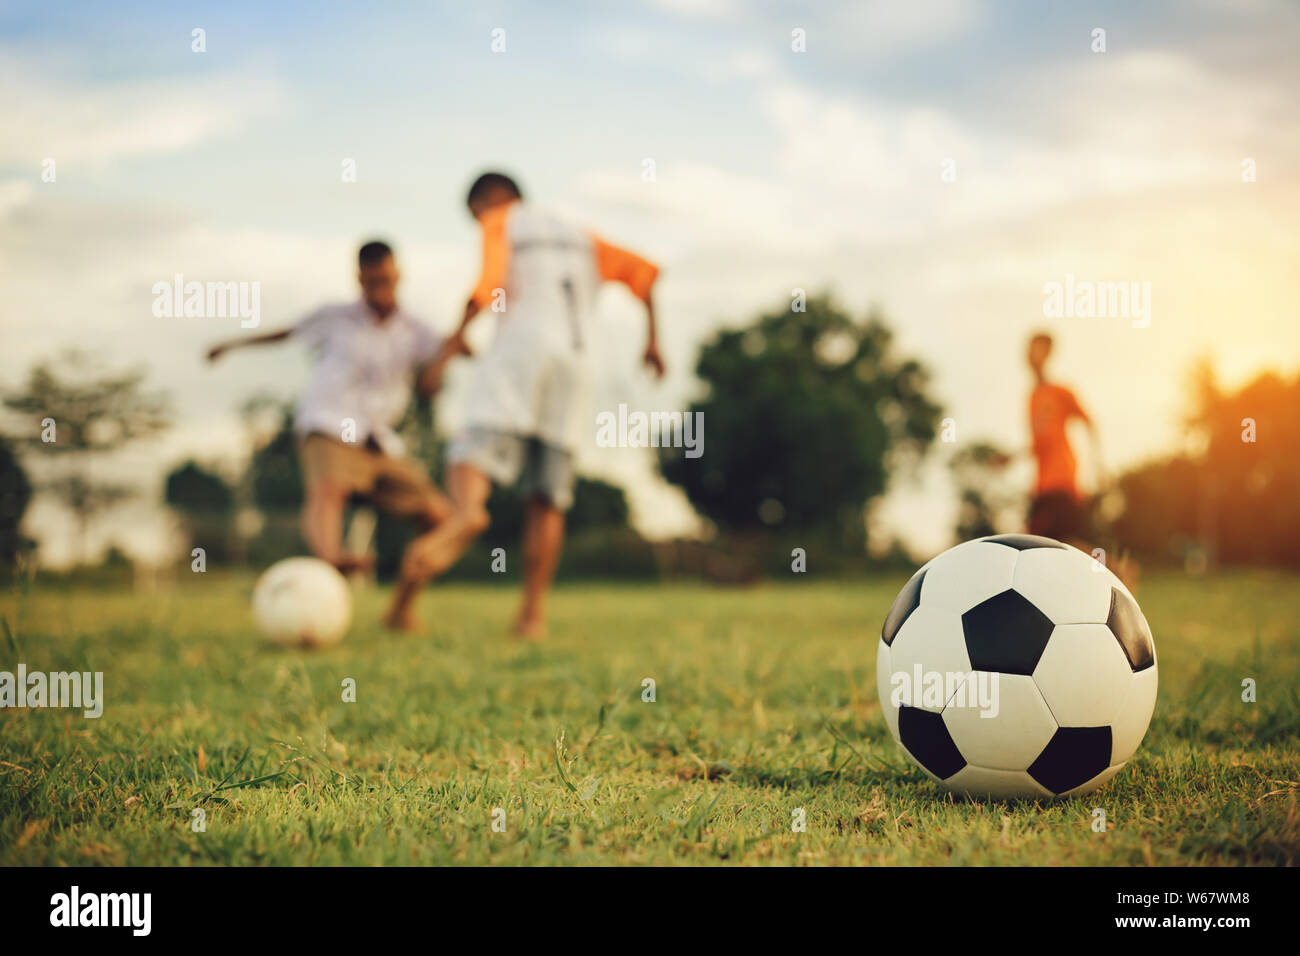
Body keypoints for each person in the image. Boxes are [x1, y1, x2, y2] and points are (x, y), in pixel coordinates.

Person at [387, 172, 664, 639]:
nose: (479, 223)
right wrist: (653, 341)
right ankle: (532, 617)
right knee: (547, 497)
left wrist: (445, 354)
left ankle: (467, 512)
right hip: (575, 367)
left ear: (488, 200)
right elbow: (647, 275)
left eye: (475, 215)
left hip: (518, 356)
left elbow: (487, 286)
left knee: (468, 455)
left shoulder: (503, 221)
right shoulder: (581, 234)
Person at [206, 240, 463, 624]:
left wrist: (449, 352)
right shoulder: (334, 316)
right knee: (330, 489)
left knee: (441, 518)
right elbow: (286, 333)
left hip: (379, 440)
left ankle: (401, 609)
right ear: (358, 278)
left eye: (386, 280)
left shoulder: (416, 330)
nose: (379, 288)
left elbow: (443, 369)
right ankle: (329, 559)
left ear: (398, 275)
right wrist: (232, 343)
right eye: (370, 281)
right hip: (328, 423)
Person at [1025, 331, 1097, 546]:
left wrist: (1099, 466)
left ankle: (1116, 571)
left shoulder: (1059, 391)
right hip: (1042, 484)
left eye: (1035, 349)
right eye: (1028, 349)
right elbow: (1040, 443)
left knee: (1047, 544)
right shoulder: (1032, 396)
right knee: (1054, 545)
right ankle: (1116, 568)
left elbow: (1088, 421)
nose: (1029, 354)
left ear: (1047, 353)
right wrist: (1012, 457)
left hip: (1061, 479)